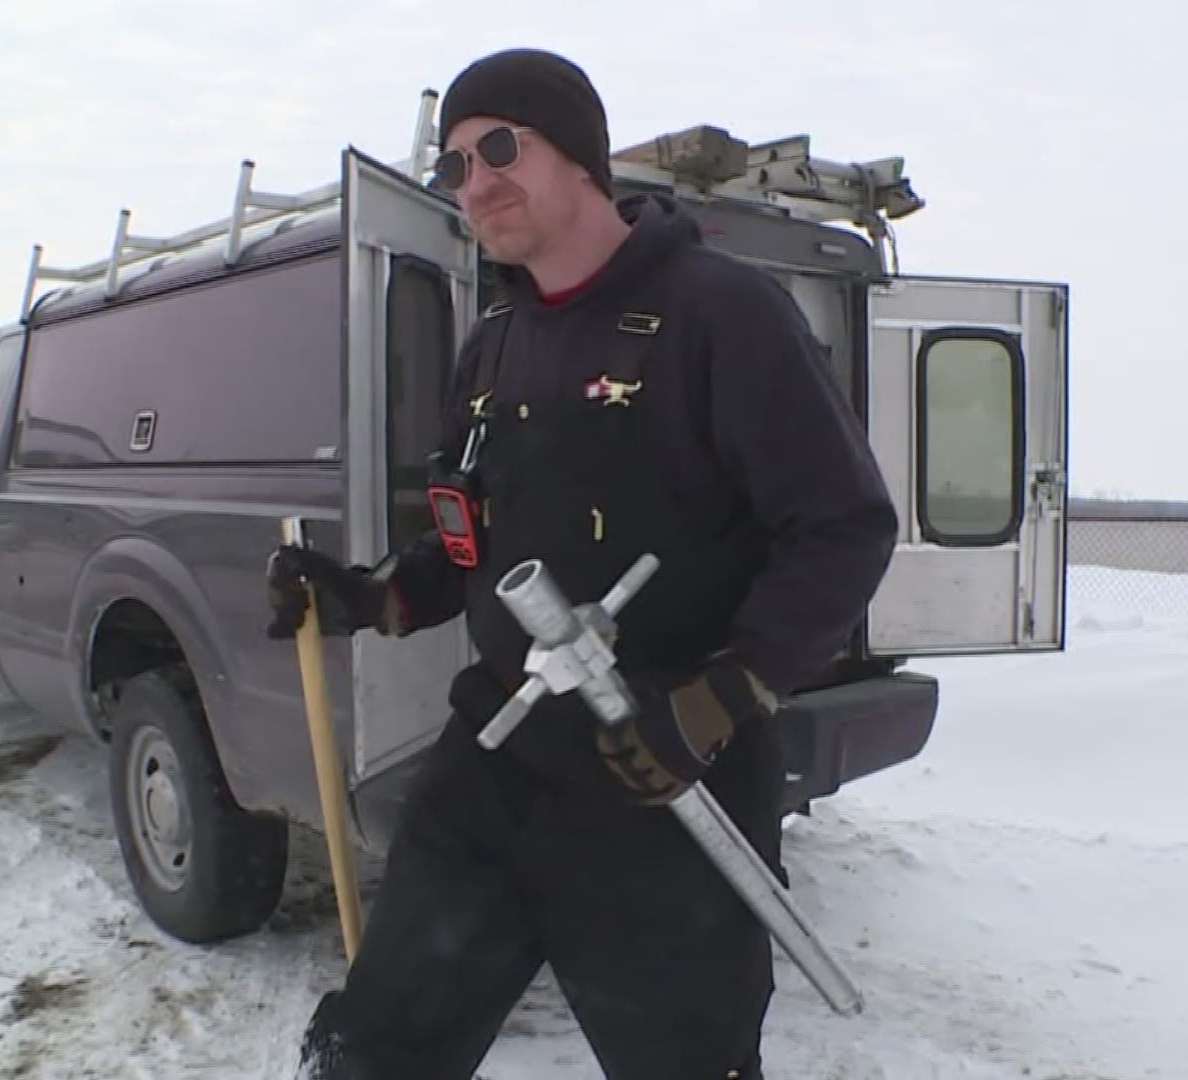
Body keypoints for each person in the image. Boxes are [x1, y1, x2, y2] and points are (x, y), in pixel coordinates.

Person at [264, 47, 898, 1080]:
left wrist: (715, 699)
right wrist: (371, 596)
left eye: (499, 149)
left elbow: (843, 527)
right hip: (496, 764)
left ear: (580, 153)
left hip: (663, 779)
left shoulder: (721, 312)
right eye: (454, 166)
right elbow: (472, 543)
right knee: (377, 1048)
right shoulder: (494, 343)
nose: (475, 184)